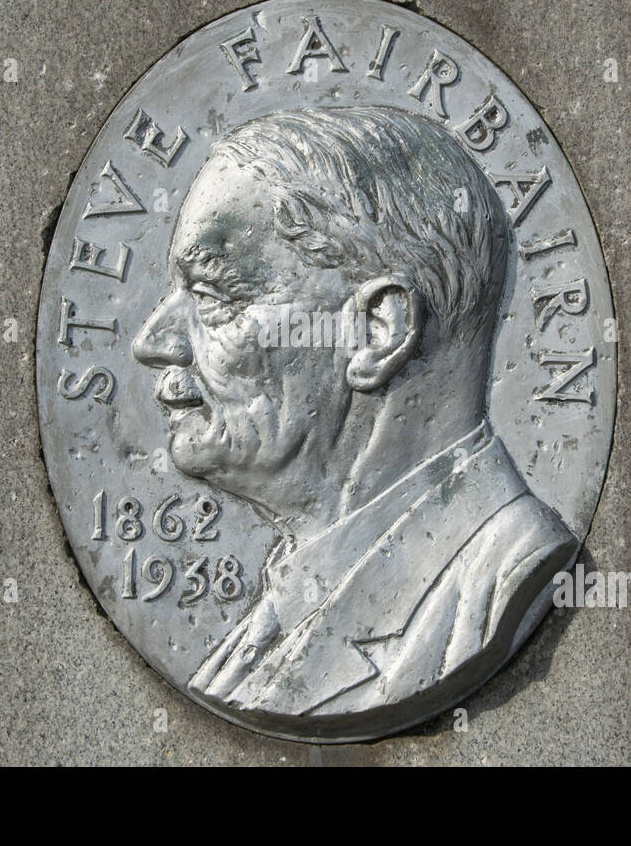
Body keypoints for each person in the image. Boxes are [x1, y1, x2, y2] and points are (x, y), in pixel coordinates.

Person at [132, 105, 578, 739]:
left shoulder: (499, 578)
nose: (153, 341)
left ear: (378, 331)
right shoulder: (275, 612)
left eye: (210, 294)